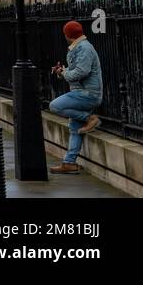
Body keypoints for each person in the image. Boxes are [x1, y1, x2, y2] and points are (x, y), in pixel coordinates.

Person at [48, 21, 103, 175]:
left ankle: (90, 118)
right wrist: (62, 71)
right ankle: (69, 163)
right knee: (75, 130)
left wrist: (64, 74)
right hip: (81, 93)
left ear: (67, 35)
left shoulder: (84, 48)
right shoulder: (78, 48)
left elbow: (81, 72)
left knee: (54, 106)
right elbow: (75, 73)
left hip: (87, 94)